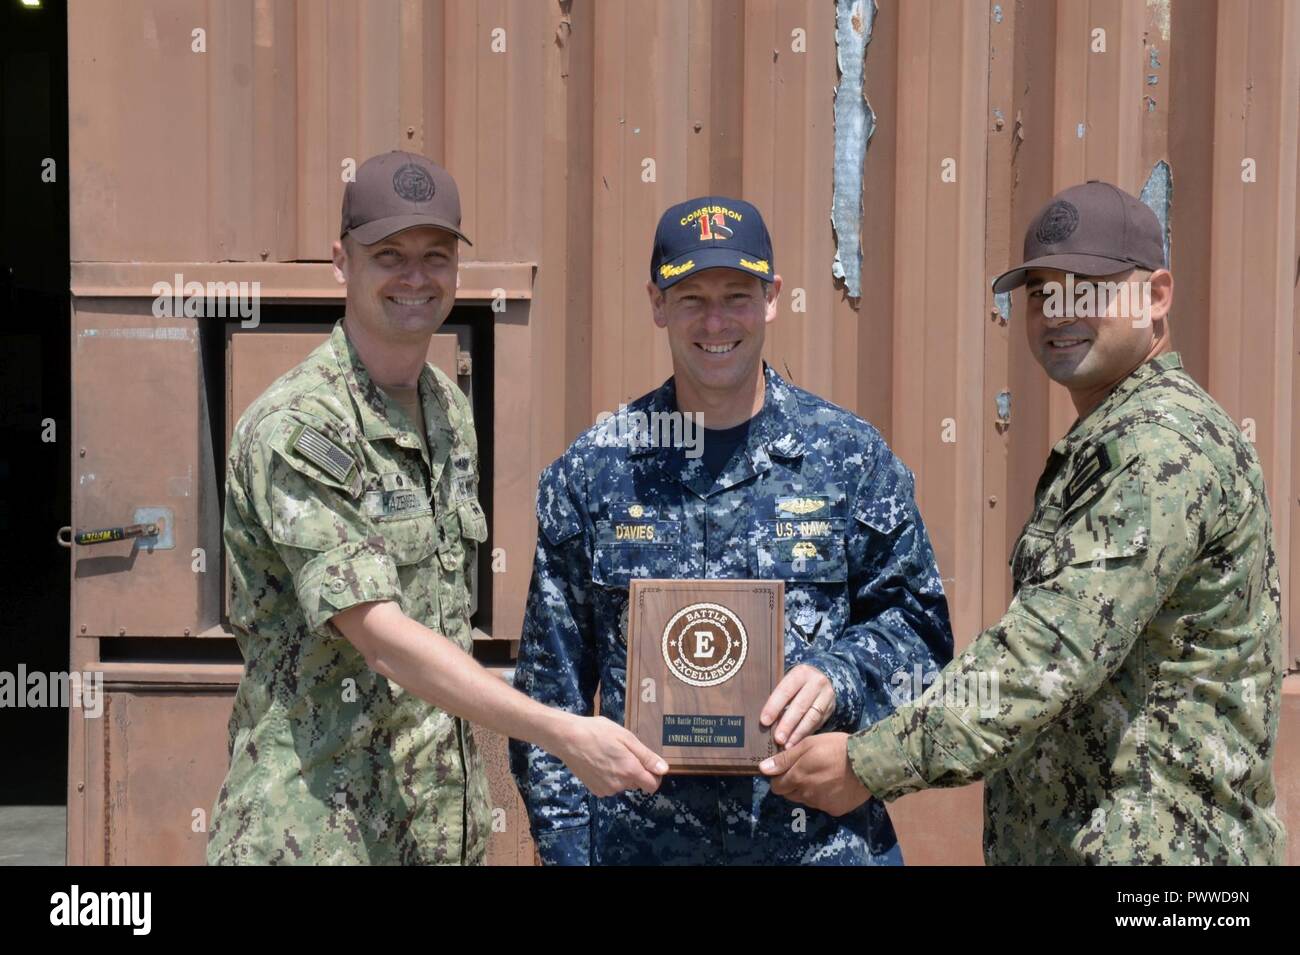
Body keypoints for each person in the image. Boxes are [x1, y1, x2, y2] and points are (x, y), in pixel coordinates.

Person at [761, 181, 1286, 864]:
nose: (1056, 312)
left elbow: (1046, 655)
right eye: (1039, 292)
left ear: (1156, 296)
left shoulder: (1160, 446)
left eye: (1086, 287)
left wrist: (867, 762)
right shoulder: (1111, 436)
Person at [208, 151, 665, 865]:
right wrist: (562, 731)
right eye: (389, 254)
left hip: (431, 828)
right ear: (341, 261)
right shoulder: (300, 427)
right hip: (317, 834)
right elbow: (382, 636)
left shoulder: (447, 409)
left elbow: (443, 614)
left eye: (437, 255)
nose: (416, 277)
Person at [509, 195, 953, 864]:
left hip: (817, 846)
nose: (715, 321)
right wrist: (569, 852)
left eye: (737, 295)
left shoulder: (850, 459)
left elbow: (924, 636)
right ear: (657, 304)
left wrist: (843, 674)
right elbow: (550, 695)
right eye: (691, 297)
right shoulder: (597, 471)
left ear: (772, 298)